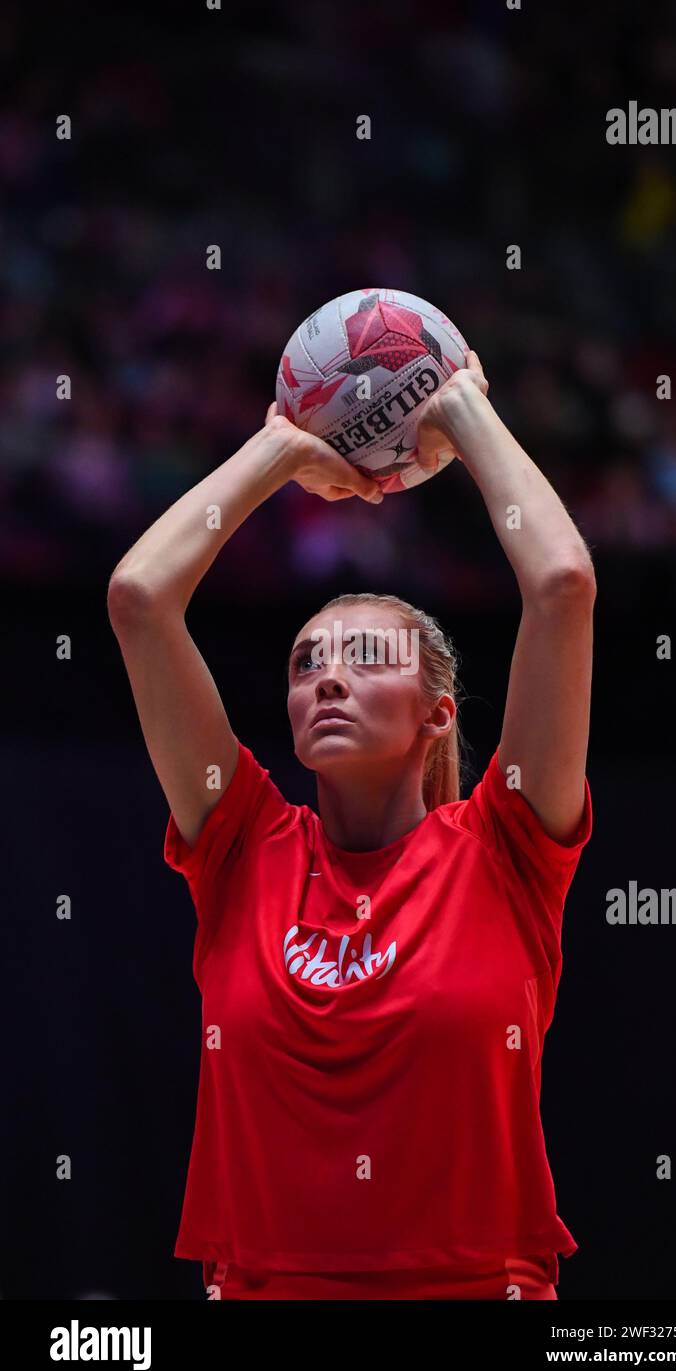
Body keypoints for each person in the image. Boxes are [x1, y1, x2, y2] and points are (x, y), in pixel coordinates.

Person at [107, 350, 595, 1300]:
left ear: (437, 713)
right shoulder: (240, 845)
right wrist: (282, 447)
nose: (326, 676)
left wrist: (459, 406)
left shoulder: (508, 851)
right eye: (305, 664)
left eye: (365, 658)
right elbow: (139, 598)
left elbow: (563, 584)